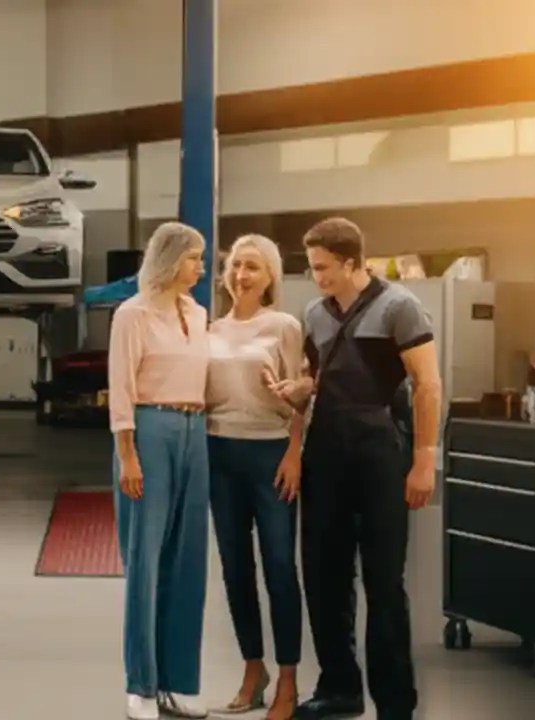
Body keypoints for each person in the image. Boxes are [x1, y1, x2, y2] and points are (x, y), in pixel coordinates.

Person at [268, 217, 441, 720]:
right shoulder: (315, 313)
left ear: (351, 263)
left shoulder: (399, 307)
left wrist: (424, 460)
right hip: (326, 454)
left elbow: (428, 384)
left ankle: (395, 703)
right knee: (323, 575)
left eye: (323, 267)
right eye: (312, 266)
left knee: (383, 583)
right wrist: (298, 392)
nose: (316, 276)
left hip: (381, 454)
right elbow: (317, 379)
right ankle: (339, 688)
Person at [108, 221, 212, 720]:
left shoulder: (199, 313)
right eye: (194, 258)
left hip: (196, 430)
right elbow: (122, 387)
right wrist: (127, 454)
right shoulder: (133, 314)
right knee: (145, 560)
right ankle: (142, 685)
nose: (201, 268)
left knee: (188, 560)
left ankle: (178, 682)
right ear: (170, 259)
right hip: (149, 430)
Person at [204, 235, 305, 720]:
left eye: (253, 268)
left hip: (271, 454)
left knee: (280, 567)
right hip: (219, 452)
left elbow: (302, 396)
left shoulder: (283, 326)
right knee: (235, 567)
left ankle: (288, 679)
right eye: (236, 265)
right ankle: (253, 668)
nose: (242, 275)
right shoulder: (210, 330)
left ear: (270, 278)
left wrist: (294, 452)